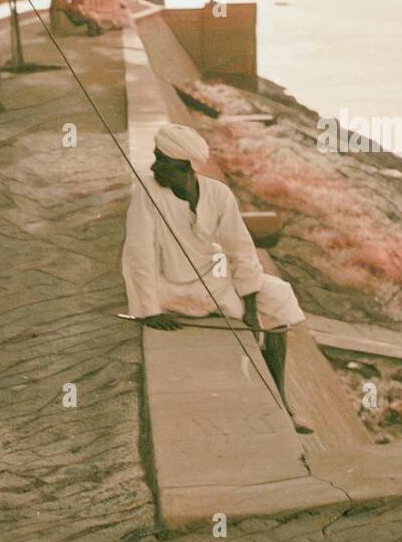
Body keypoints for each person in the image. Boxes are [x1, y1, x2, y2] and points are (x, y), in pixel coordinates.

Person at [121, 123, 311, 433]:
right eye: (155, 156)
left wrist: (251, 309)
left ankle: (283, 402)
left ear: (184, 165)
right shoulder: (146, 191)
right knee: (244, 314)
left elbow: (241, 250)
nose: (154, 166)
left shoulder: (217, 194)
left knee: (277, 296)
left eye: (161, 159)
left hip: (211, 281)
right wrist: (149, 310)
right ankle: (269, 397)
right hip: (169, 287)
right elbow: (138, 252)